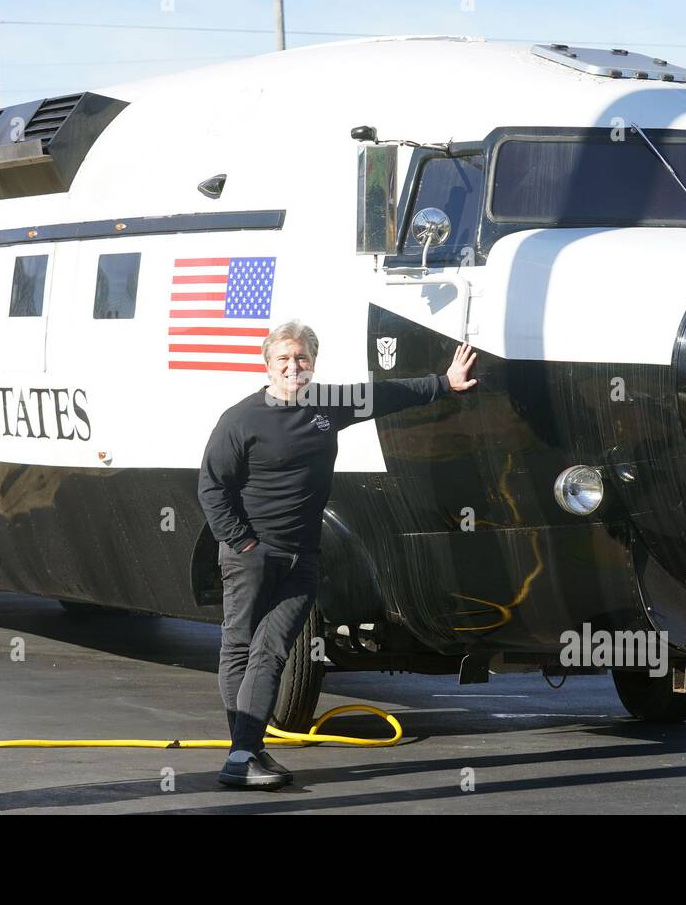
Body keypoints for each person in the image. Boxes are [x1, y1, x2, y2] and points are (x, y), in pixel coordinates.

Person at [197, 319, 479, 789]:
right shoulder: (241, 420)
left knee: (272, 653)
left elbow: (385, 394)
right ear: (267, 364)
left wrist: (443, 384)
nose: (293, 367)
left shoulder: (328, 405)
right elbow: (212, 488)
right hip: (251, 556)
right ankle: (242, 753)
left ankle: (246, 754)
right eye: (284, 359)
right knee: (241, 647)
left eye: (301, 358)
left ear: (313, 362)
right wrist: (243, 542)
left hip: (302, 556)